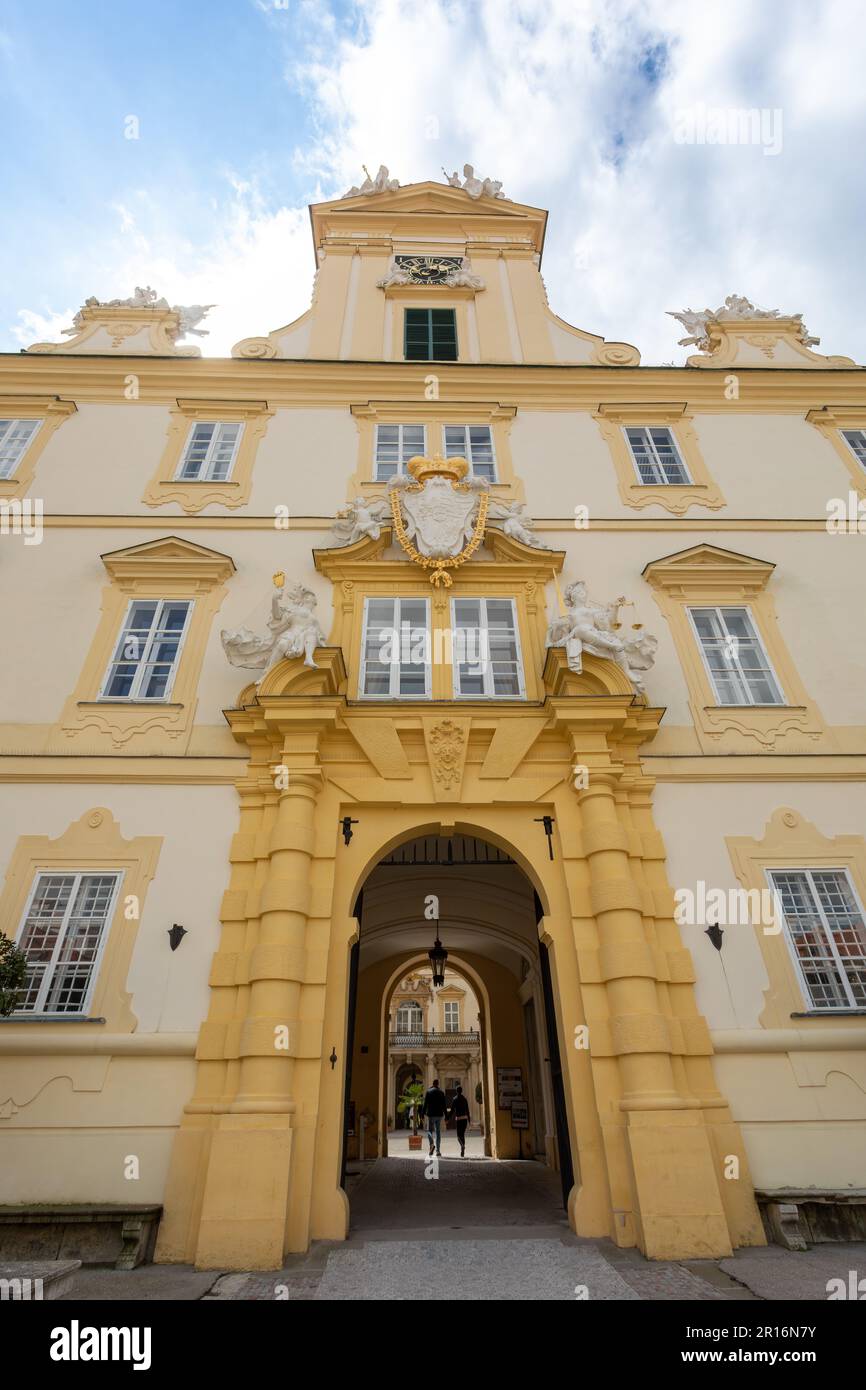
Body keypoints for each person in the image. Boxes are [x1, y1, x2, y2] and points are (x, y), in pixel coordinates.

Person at [420, 1078, 447, 1156]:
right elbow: (444, 1106)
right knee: (438, 1132)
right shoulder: (441, 1093)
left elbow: (425, 1104)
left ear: (433, 1083)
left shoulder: (428, 1092)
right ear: (438, 1084)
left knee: (429, 1131)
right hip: (439, 1115)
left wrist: (422, 1114)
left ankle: (431, 1144)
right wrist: (447, 1117)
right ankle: (438, 1151)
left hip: (431, 1115)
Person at [450, 1084, 471, 1157]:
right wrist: (469, 1119)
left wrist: (448, 1118)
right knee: (463, 1135)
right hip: (464, 1119)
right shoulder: (465, 1099)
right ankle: (463, 1150)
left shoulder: (455, 1099)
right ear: (461, 1091)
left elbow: (452, 1110)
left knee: (459, 1136)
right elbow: (467, 1110)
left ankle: (462, 1146)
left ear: (456, 1091)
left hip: (459, 1119)